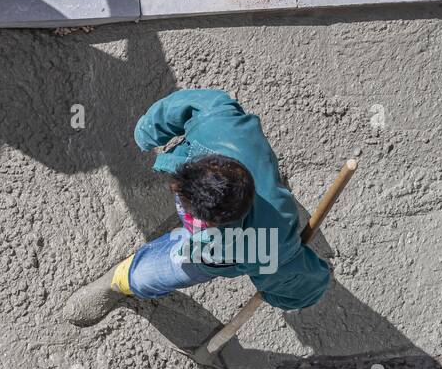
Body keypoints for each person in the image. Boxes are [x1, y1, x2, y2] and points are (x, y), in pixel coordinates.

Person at [64, 89, 331, 326]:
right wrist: (148, 129)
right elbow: (195, 103)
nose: (174, 189)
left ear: (211, 221)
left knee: (149, 277)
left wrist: (289, 293)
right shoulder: (221, 122)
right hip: (253, 189)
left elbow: (298, 280)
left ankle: (118, 281)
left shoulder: (262, 244)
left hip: (213, 252)